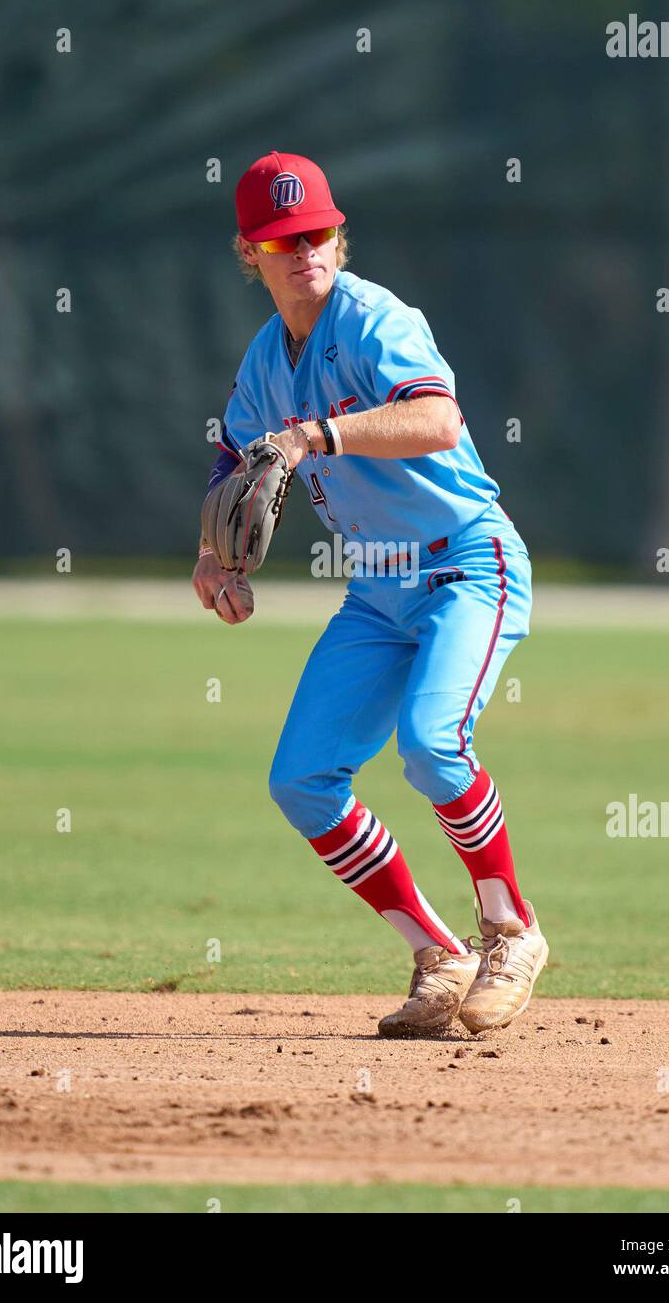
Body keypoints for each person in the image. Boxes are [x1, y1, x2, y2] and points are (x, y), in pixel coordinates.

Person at [192, 150, 548, 1037]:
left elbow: (438, 418)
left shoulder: (374, 316)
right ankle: (440, 954)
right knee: (302, 781)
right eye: (283, 237)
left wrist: (318, 434)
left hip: (469, 563)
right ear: (253, 253)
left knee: (432, 745)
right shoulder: (267, 357)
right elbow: (237, 456)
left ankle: (511, 931)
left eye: (316, 230)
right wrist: (213, 553)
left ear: (336, 236)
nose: (304, 248)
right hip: (378, 593)